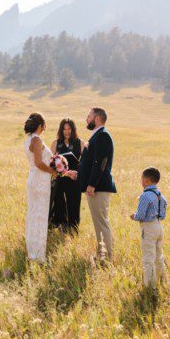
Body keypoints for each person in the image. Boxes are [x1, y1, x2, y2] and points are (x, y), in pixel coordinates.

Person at [77, 107, 116, 261]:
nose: (86, 119)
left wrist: (92, 184)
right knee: (99, 223)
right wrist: (78, 175)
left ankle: (105, 257)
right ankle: (102, 254)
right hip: (95, 187)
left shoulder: (103, 136)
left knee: (101, 224)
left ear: (97, 118)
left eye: (89, 116)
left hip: (98, 187)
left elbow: (100, 162)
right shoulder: (96, 136)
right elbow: (90, 163)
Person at [23, 112, 58, 262]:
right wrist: (53, 171)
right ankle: (37, 255)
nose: (45, 128)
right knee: (40, 216)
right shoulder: (36, 139)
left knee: (34, 214)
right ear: (40, 125)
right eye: (44, 125)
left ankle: (33, 251)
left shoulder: (29, 139)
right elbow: (38, 162)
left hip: (35, 178)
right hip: (39, 180)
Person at [130, 167, 168, 288]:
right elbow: (162, 215)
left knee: (148, 258)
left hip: (148, 228)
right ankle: (163, 280)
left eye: (141, 179)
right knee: (159, 255)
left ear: (146, 181)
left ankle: (150, 286)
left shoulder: (145, 196)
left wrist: (134, 216)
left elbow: (140, 215)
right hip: (158, 227)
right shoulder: (161, 196)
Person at [49, 118, 82, 232]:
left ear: (73, 130)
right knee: (59, 205)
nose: (67, 132)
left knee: (74, 206)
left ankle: (73, 230)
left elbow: (84, 163)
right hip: (60, 180)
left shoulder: (80, 143)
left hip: (74, 180)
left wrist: (78, 173)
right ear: (61, 130)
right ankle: (61, 227)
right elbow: (51, 163)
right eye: (64, 129)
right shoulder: (56, 143)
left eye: (69, 129)